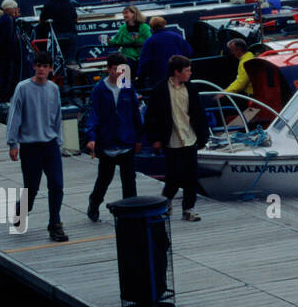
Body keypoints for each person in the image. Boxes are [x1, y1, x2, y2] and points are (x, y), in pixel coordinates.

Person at [7, 51, 67, 242]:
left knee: (57, 185)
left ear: (50, 69)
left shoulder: (53, 89)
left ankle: (55, 223)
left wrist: (59, 141)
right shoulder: (23, 88)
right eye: (38, 65)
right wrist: (12, 142)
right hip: (30, 145)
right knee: (31, 188)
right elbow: (14, 115)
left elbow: (57, 116)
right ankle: (21, 209)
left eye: (45, 66)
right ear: (34, 67)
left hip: (50, 144)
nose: (41, 69)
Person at [143, 55, 210, 222]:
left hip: (189, 137)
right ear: (176, 72)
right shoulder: (159, 90)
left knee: (191, 176)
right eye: (187, 70)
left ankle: (189, 208)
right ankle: (166, 200)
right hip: (171, 139)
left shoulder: (192, 89)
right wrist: (154, 139)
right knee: (174, 176)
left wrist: (203, 136)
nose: (190, 73)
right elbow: (151, 117)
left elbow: (199, 114)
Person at [82, 53, 142, 222]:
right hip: (107, 142)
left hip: (127, 141)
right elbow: (94, 114)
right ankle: (94, 202)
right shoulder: (99, 89)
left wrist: (139, 138)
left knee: (129, 180)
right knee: (104, 179)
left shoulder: (128, 87)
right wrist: (91, 137)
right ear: (108, 69)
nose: (118, 72)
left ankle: (131, 213)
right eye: (115, 69)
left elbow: (135, 114)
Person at [136, 16, 193, 95]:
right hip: (178, 77)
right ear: (164, 25)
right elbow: (189, 52)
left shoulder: (149, 42)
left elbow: (144, 63)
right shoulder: (176, 37)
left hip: (159, 80)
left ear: (151, 27)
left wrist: (140, 78)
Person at [0, 0, 23, 103]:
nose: (15, 10)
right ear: (8, 9)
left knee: (5, 76)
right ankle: (7, 98)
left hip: (2, 52)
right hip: (9, 52)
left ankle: (4, 98)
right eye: (14, 8)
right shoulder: (8, 19)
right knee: (10, 76)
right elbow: (7, 37)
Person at [39, 0, 78, 65]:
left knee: (56, 61)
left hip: (56, 35)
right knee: (71, 60)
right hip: (70, 34)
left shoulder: (48, 5)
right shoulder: (69, 4)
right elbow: (76, 19)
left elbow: (41, 21)